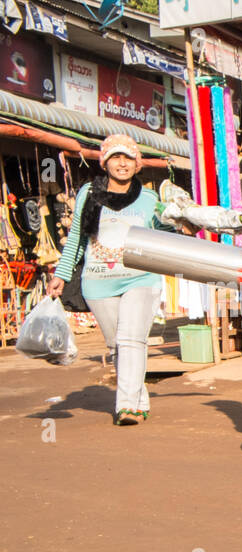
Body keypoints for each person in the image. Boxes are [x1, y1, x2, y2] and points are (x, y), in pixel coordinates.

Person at [48, 135, 169, 425]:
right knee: (118, 344)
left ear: (138, 164)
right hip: (98, 282)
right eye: (116, 157)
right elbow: (77, 237)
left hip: (141, 278)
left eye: (128, 158)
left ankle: (127, 407)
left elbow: (167, 233)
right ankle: (139, 400)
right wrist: (61, 275)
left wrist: (185, 224)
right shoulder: (88, 193)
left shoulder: (150, 199)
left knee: (131, 339)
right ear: (105, 162)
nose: (122, 163)